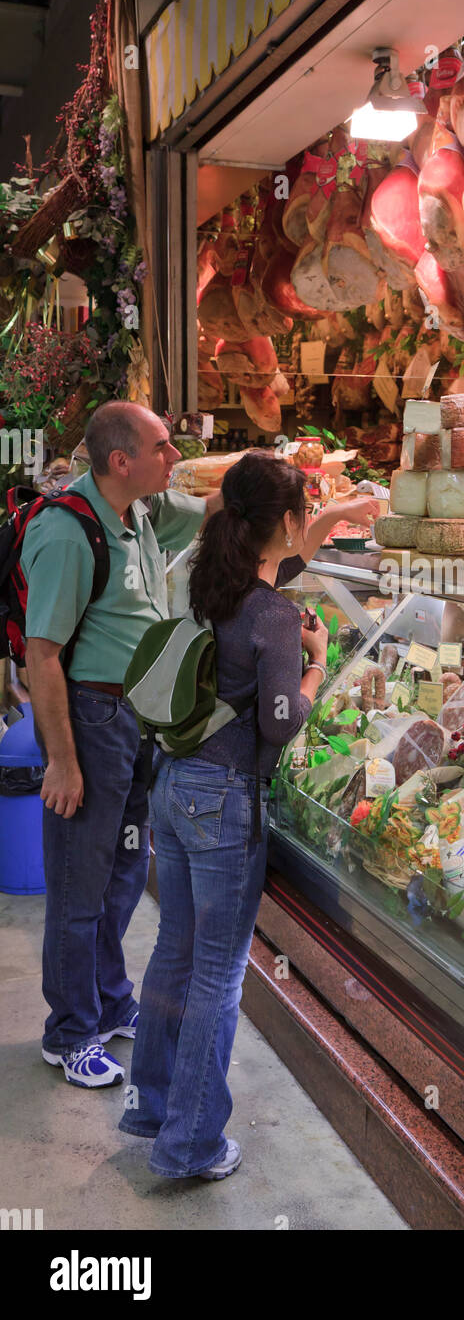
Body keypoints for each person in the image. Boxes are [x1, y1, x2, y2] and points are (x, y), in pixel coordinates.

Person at [118, 451, 326, 1180]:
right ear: (290, 523)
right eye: (306, 515)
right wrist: (315, 668)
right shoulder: (271, 612)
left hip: (174, 786)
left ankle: (152, 1109)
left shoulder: (214, 582)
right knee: (217, 973)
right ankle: (191, 1146)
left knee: (174, 950)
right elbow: (277, 721)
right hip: (224, 799)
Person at [22, 402, 220, 1090]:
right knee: (80, 886)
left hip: (138, 719)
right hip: (91, 721)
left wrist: (285, 484)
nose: (176, 459)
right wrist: (62, 760)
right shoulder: (66, 535)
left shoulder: (141, 511)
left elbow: (218, 506)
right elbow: (41, 656)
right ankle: (69, 1033)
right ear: (120, 461)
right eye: (165, 448)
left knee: (123, 877)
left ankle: (109, 1003)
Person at [276, 490, 381, 588]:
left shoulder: (267, 573)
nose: (308, 517)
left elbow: (292, 564)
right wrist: (337, 513)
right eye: (306, 509)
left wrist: (336, 513)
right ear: (289, 521)